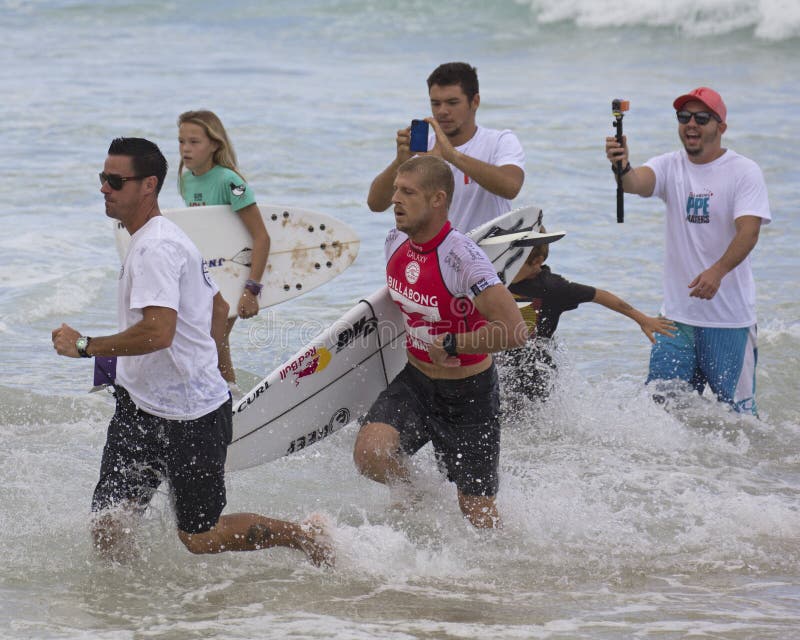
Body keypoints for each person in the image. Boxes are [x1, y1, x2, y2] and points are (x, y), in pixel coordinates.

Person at [52, 137, 331, 566]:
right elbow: (217, 305)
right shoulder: (149, 238)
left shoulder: (157, 247)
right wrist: (222, 369)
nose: (104, 188)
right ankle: (137, 617)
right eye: (102, 179)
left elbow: (159, 332)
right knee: (109, 527)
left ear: (149, 185)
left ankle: (305, 535)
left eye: (114, 180)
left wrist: (86, 346)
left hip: (190, 418)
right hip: (139, 408)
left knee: (200, 537)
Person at [353, 155, 528, 529]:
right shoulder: (395, 241)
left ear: (437, 199)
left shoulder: (464, 260)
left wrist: (453, 343)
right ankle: (420, 495)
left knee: (477, 515)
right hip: (416, 383)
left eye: (408, 192)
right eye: (396, 190)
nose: (395, 200)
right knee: (370, 454)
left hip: (470, 396)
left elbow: (515, 331)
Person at [605, 87, 771, 414]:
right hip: (675, 321)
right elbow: (635, 183)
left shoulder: (744, 171)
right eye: (684, 118)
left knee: (740, 421)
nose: (690, 124)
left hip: (729, 322)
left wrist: (717, 271)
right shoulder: (670, 166)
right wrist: (622, 166)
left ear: (721, 127)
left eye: (701, 118)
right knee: (659, 414)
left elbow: (749, 232)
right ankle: (677, 470)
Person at [497, 227, 676, 404]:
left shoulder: (553, 287)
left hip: (537, 369)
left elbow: (600, 295)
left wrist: (641, 319)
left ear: (537, 261)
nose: (507, 268)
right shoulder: (498, 279)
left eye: (513, 264)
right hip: (503, 362)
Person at [366, 62, 525, 234]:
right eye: (435, 103)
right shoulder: (422, 150)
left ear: (475, 102)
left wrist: (452, 155)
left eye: (452, 102)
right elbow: (375, 204)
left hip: (487, 254)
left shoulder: (500, 141)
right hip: (435, 255)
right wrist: (400, 161)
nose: (442, 111)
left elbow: (511, 187)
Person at [177, 110, 271, 388]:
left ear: (215, 144)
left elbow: (262, 237)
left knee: (212, 341)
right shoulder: (186, 180)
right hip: (206, 275)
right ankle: (224, 398)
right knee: (207, 343)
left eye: (194, 142)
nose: (185, 149)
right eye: (181, 141)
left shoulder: (229, 181)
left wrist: (251, 290)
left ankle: (227, 400)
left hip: (235, 277)